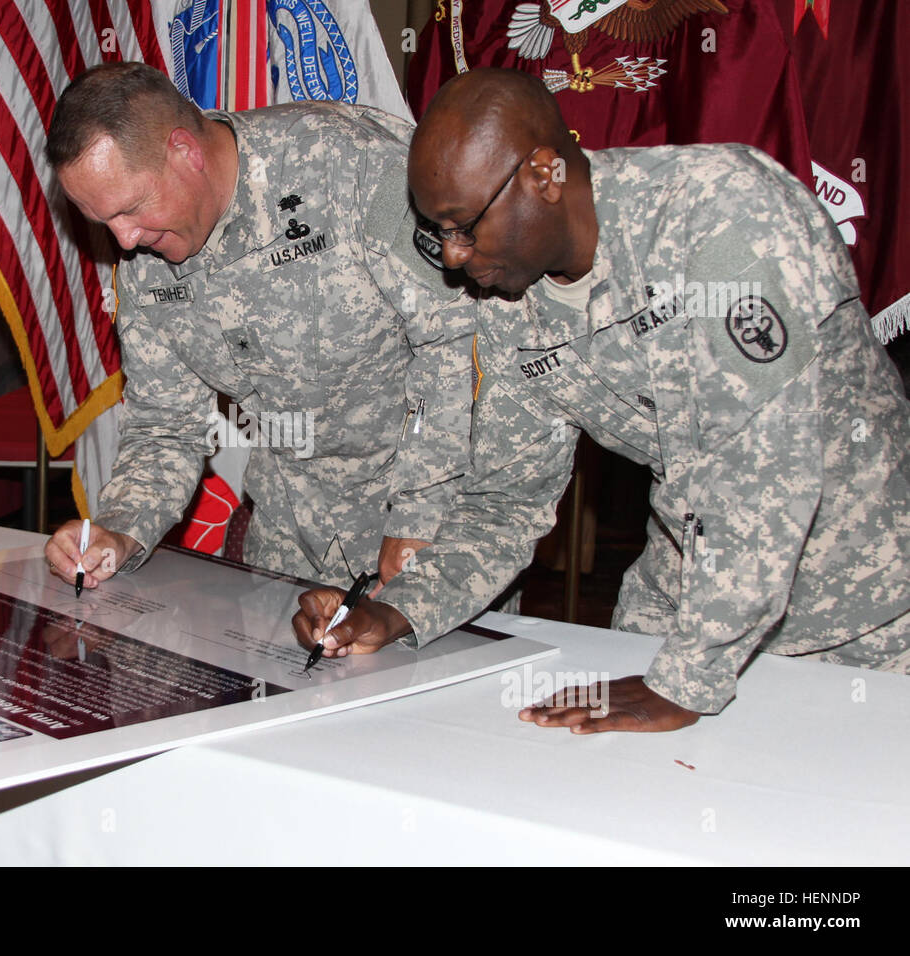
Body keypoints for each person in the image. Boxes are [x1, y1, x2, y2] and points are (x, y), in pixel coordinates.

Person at [293, 68, 910, 733]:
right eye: (438, 229)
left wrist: (685, 681)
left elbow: (762, 478)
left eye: (464, 225)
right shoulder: (510, 301)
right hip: (684, 598)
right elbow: (507, 500)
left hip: (865, 612)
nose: (450, 254)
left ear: (545, 176)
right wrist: (401, 610)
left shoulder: (722, 215)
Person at [42, 63, 474, 590]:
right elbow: (165, 424)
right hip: (288, 544)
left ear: (186, 152)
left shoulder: (347, 162)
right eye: (101, 221)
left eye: (131, 208)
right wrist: (117, 531)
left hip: (435, 528)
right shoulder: (146, 258)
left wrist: (419, 516)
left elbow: (459, 347)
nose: (125, 240)